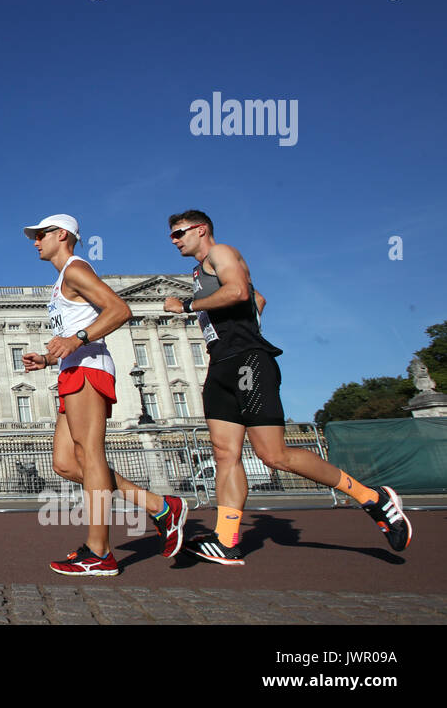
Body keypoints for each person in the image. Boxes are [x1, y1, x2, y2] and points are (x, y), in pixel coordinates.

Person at [163, 210, 411, 564]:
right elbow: (258, 300)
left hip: (247, 361)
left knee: (273, 455)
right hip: (221, 365)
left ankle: (372, 498)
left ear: (201, 229)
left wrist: (188, 306)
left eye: (178, 233)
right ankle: (227, 539)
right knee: (224, 455)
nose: (174, 241)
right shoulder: (199, 271)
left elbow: (238, 291)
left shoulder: (222, 253)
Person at [22, 215, 188, 576]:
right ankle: (160, 506)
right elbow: (75, 327)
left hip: (89, 368)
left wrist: (76, 340)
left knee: (91, 455)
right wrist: (50, 357)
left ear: (61, 235)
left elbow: (120, 310)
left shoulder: (76, 269)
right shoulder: (62, 278)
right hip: (71, 369)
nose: (35, 241)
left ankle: (99, 551)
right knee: (66, 463)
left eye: (40, 234)